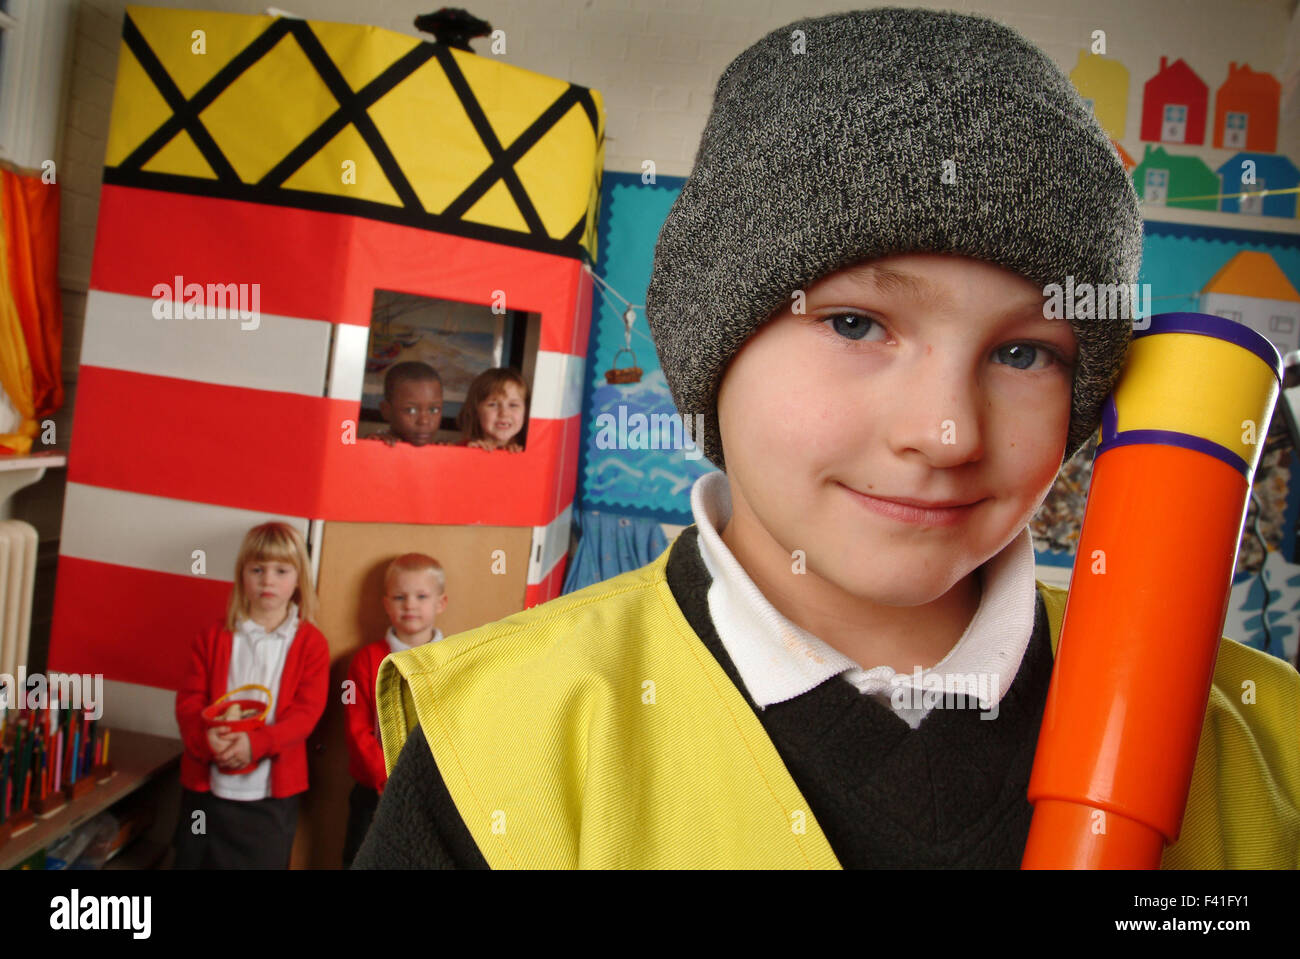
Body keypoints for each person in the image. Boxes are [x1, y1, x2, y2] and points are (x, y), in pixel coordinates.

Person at [354, 8, 1299, 869]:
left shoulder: (1267, 753)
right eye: (855, 325)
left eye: (1023, 352)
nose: (947, 432)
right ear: (711, 344)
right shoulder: (503, 749)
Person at [173, 522, 330, 868]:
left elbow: (306, 714)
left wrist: (255, 745)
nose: (268, 580)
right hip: (206, 792)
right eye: (257, 569)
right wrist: (205, 738)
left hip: (270, 798)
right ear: (242, 574)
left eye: (280, 570)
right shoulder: (213, 636)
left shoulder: (310, 644)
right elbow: (189, 702)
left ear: (298, 578)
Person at [341, 553, 448, 868]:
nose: (410, 605)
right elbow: (356, 730)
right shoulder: (365, 660)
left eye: (421, 596)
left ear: (441, 603)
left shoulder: (450, 661)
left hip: (429, 795)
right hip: (372, 792)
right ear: (386, 604)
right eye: (400, 597)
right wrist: (387, 779)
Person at [369, 361, 444, 446]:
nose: (424, 421)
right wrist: (372, 446)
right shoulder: (376, 444)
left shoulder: (441, 449)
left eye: (433, 410)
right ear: (386, 411)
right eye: (411, 410)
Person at [457, 367, 528, 452]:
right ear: (475, 411)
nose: (504, 413)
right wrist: (470, 455)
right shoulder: (461, 449)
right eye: (492, 405)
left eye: (513, 405)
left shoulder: (532, 453)